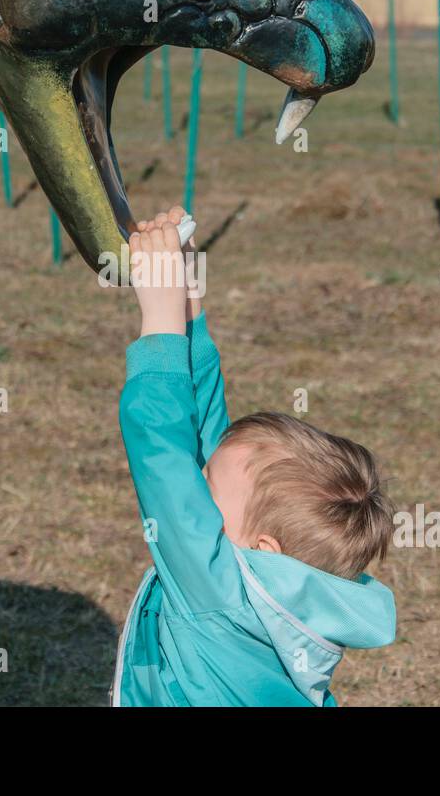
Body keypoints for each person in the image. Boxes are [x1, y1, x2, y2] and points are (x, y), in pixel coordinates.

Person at [112, 207, 396, 707]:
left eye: (208, 486)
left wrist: (159, 321)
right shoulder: (288, 591)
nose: (196, 480)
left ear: (263, 547)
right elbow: (210, 444)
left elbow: (163, 456)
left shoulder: (217, 594)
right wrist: (188, 304)